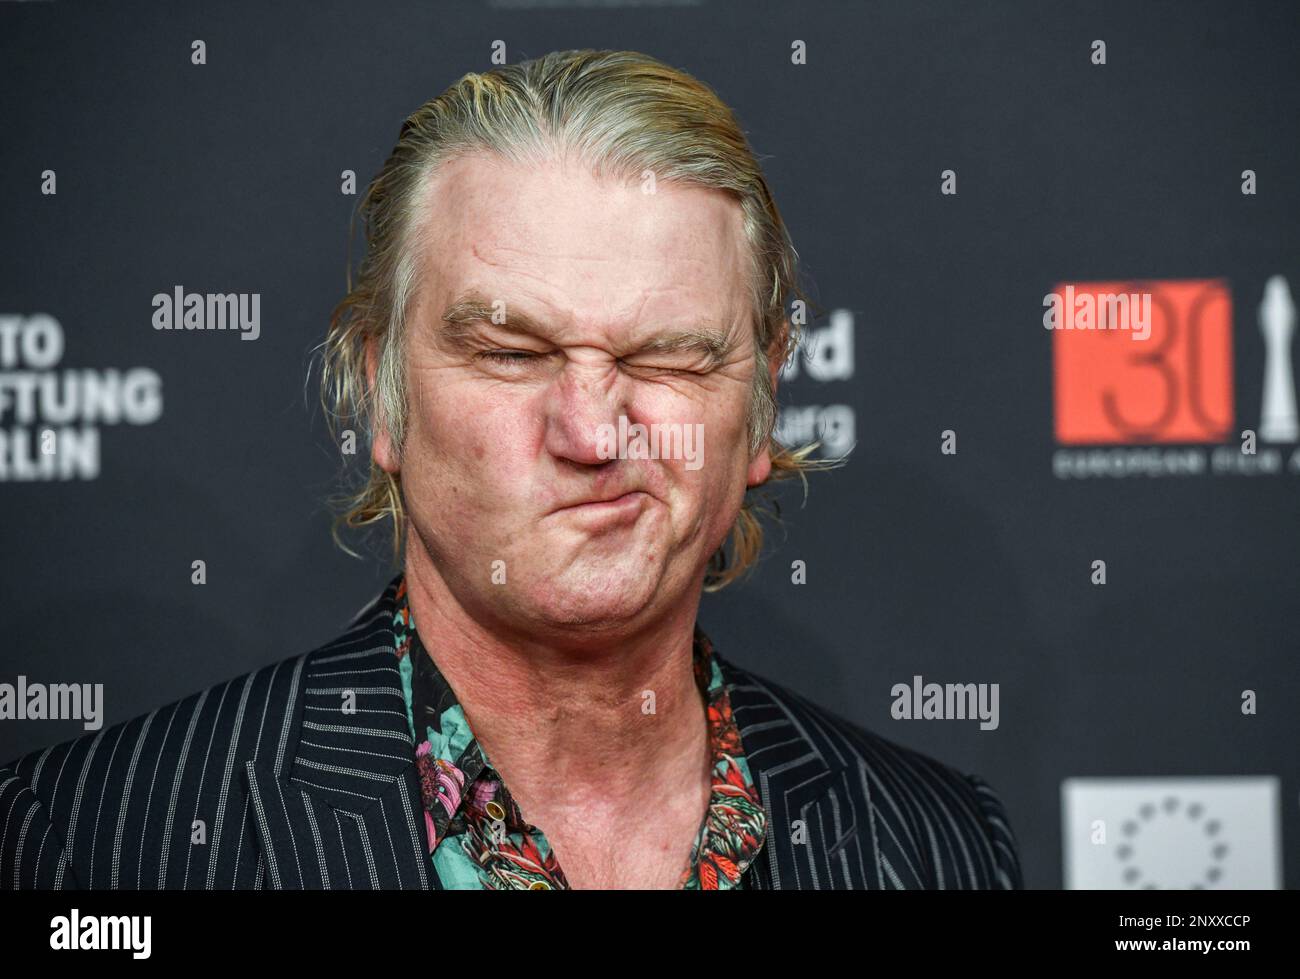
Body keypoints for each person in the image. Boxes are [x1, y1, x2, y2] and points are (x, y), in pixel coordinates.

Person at [0, 49, 1022, 890]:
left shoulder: (935, 849)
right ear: (382, 394)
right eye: (511, 353)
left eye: (665, 355)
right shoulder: (98, 841)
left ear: (758, 411)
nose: (590, 431)